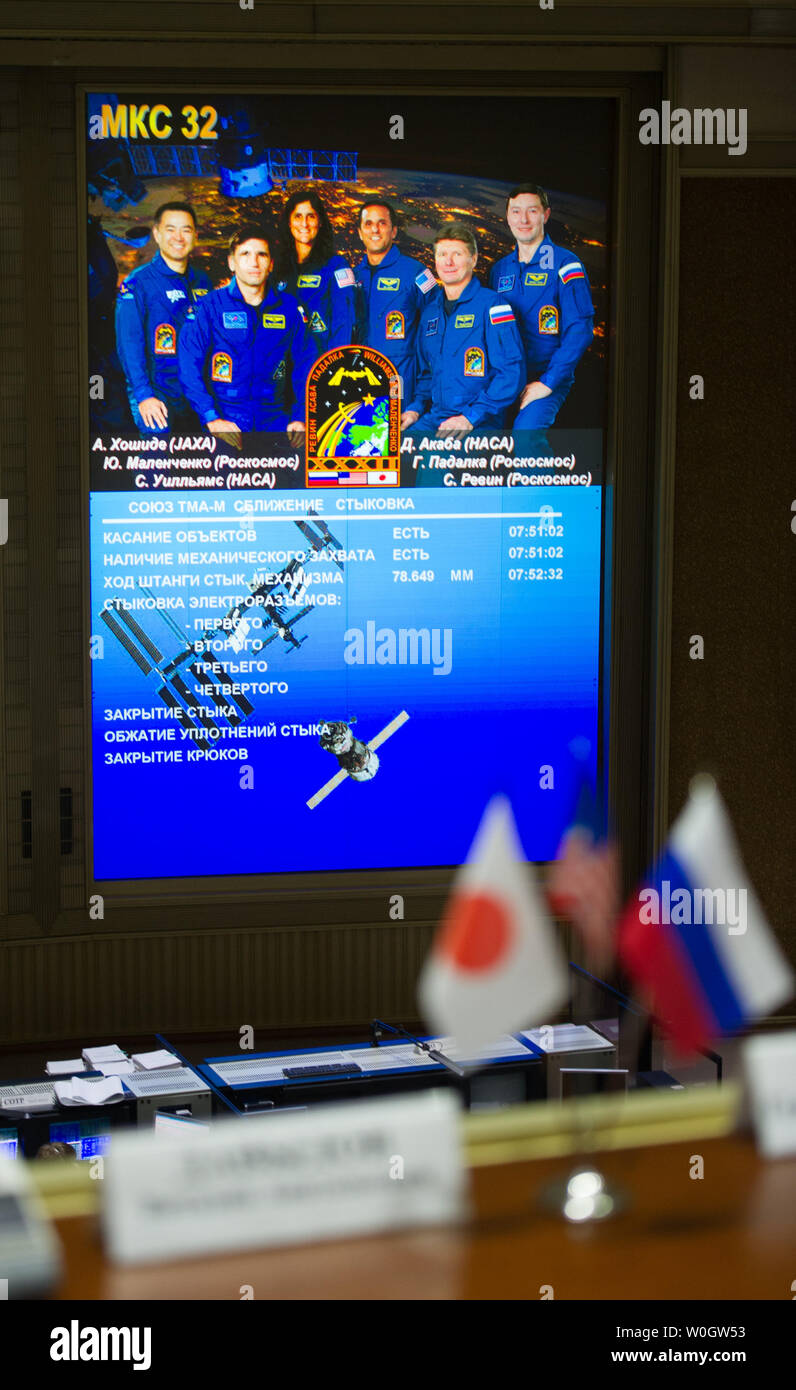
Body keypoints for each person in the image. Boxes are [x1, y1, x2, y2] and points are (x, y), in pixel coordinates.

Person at [178, 223, 313, 436]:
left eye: (262, 255)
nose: (254, 262)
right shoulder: (209, 307)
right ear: (231, 262)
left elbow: (305, 366)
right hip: (225, 416)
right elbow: (188, 366)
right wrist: (211, 418)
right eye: (245, 254)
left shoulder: (289, 309)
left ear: (271, 264)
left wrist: (300, 417)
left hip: (275, 417)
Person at [401, 222, 524, 440]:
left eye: (457, 254)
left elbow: (510, 373)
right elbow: (427, 374)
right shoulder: (431, 313)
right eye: (442, 254)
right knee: (392, 451)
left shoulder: (494, 306)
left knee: (435, 467)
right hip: (437, 418)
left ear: (473, 259)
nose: (448, 262)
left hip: (479, 422)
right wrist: (415, 409)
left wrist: (470, 417)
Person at [489, 184, 594, 429]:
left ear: (546, 215)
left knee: (526, 441)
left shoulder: (565, 264)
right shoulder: (500, 269)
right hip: (506, 377)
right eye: (516, 211)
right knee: (478, 440)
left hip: (547, 375)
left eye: (532, 211)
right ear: (507, 216)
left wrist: (547, 383)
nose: (523, 219)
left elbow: (580, 330)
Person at [115, 201, 212, 435]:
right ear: (157, 234)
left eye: (186, 230)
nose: (178, 237)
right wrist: (144, 395)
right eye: (170, 229)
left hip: (193, 391)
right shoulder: (138, 283)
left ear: (195, 236)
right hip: (154, 392)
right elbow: (129, 344)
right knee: (158, 462)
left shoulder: (203, 281)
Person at [353, 199, 439, 401]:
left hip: (401, 378)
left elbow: (437, 322)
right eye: (368, 224)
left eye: (382, 223)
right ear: (360, 233)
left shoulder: (416, 272)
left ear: (393, 231)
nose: (375, 229)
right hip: (360, 377)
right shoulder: (353, 277)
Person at [274, 187, 356, 360]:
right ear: (289, 222)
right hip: (282, 365)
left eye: (311, 216)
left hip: (318, 365)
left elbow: (343, 324)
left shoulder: (336, 267)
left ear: (320, 222)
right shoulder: (277, 267)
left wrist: (333, 366)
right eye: (298, 216)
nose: (304, 224)